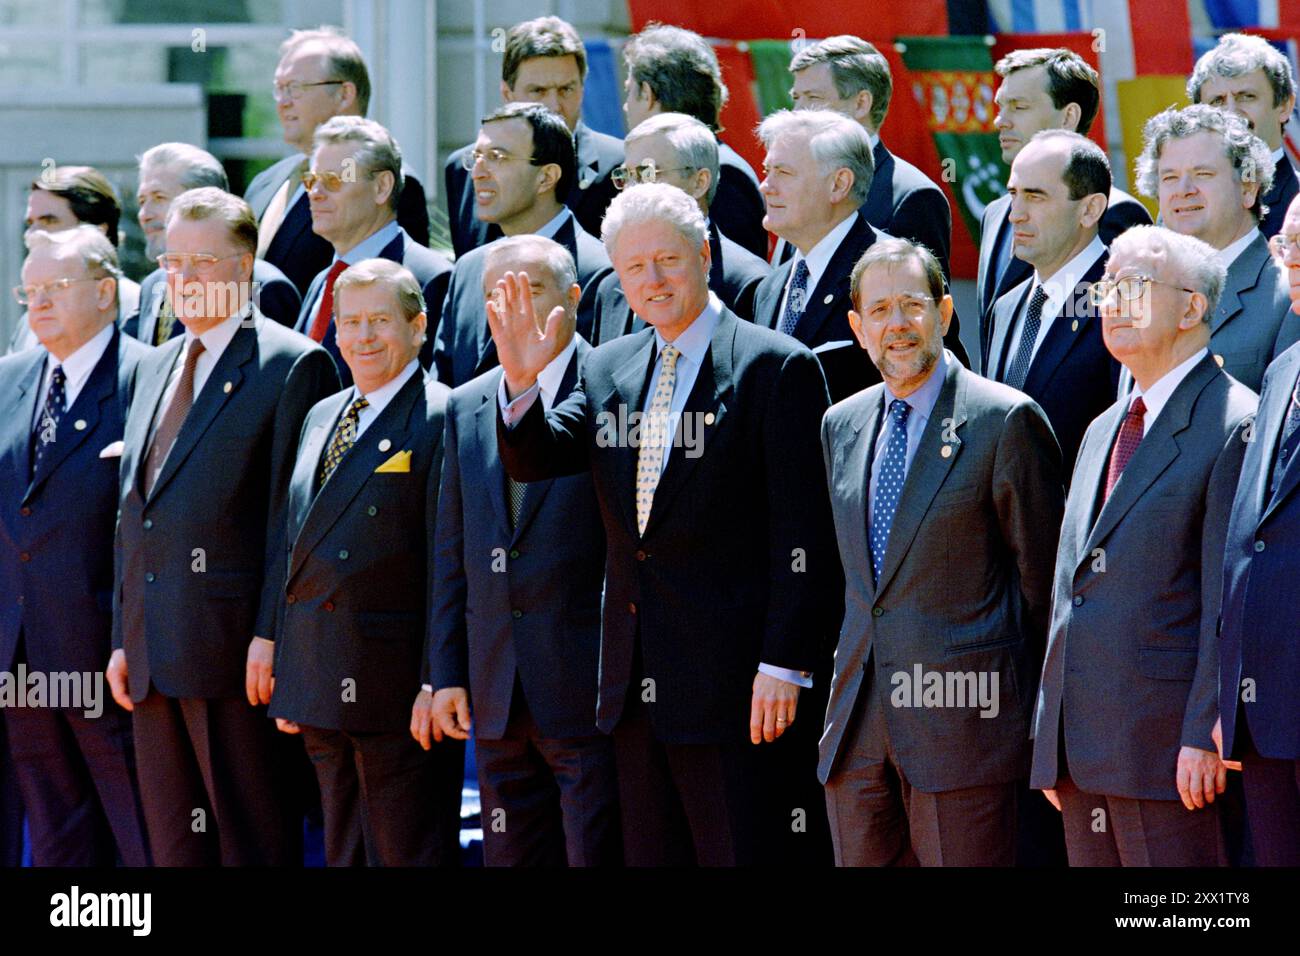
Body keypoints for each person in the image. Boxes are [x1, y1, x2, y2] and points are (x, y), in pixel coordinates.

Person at [488, 183, 840, 865]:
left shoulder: (775, 366)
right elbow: (538, 457)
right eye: (632, 267)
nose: (651, 280)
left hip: (741, 688)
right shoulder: (610, 365)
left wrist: (784, 663)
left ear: (705, 255)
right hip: (635, 685)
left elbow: (805, 536)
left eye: (667, 260)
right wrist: (522, 380)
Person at [107, 188, 340, 865]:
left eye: (200, 262)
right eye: (171, 262)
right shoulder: (151, 365)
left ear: (243, 269)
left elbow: (291, 523)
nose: (181, 278)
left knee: (249, 843)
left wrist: (272, 633)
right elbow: (136, 511)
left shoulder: (292, 364)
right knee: (176, 850)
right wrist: (126, 635)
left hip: (236, 656)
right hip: (153, 656)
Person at [819, 236, 1063, 866]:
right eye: (879, 311)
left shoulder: (1004, 420)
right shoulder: (839, 423)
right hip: (857, 732)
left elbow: (1045, 592)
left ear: (946, 313)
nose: (897, 325)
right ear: (857, 327)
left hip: (964, 731)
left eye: (912, 306)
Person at [1031, 225, 1254, 866]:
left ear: (1192, 307)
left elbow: (1229, 596)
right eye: (1108, 287)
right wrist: (1053, 739)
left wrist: (1204, 733)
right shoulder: (1104, 426)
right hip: (1083, 755)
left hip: (1170, 756)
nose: (1112, 301)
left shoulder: (1234, 423)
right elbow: (1069, 591)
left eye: (1134, 286)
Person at [422, 235, 621, 866]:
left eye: (528, 290)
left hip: (587, 690)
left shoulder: (616, 385)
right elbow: (453, 552)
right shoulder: (465, 403)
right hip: (496, 692)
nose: (512, 307)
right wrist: (446, 674)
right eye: (496, 295)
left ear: (572, 297)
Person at [268, 259, 461, 866]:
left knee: (405, 852)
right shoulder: (322, 414)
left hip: (398, 689)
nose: (363, 337)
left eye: (380, 320)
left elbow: (448, 563)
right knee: (342, 849)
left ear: (418, 326)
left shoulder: (444, 415)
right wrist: (285, 658)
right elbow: (292, 540)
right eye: (350, 322)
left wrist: (438, 677)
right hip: (319, 678)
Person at [0, 227, 151, 866]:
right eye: (28, 291)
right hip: (21, 656)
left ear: (105, 293)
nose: (38, 303)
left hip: (107, 655)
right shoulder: (9, 378)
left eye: (55, 288)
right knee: (57, 834)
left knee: (136, 829)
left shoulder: (149, 377)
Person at [752, 109, 965, 402]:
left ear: (839, 184)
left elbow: (944, 388)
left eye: (784, 173)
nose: (767, 186)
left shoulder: (896, 272)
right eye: (767, 171)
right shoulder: (768, 288)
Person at [1216, 192, 1300, 867]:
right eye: (1284, 246)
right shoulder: (1279, 371)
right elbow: (1252, 538)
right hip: (1265, 711)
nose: (1288, 261)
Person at [979, 48, 1151, 357]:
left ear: (1069, 116)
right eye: (1001, 106)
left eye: (1018, 106)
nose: (1000, 121)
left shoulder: (1115, 213)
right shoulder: (994, 214)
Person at [433, 103, 612, 385]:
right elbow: (445, 390)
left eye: (497, 157)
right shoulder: (467, 270)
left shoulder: (601, 272)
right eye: (477, 156)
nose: (478, 172)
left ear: (546, 177)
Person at [245, 26, 431, 296]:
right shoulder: (267, 182)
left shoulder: (387, 182)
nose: (282, 102)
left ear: (344, 94)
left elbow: (394, 298)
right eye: (279, 89)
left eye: (295, 88)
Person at [1135, 104, 1299, 392]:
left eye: (1203, 174)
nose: (1183, 189)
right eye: (1169, 177)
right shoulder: (1144, 298)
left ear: (1248, 188)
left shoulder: (1289, 296)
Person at [985, 130, 1119, 480]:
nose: (1015, 214)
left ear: (1090, 209)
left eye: (1035, 197)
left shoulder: (1124, 301)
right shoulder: (1006, 307)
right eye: (1013, 194)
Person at [444, 16, 622, 258]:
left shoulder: (620, 165)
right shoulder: (463, 168)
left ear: (582, 89)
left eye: (566, 89)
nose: (554, 105)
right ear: (507, 93)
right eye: (538, 91)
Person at [294, 116, 451, 387]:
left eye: (332, 180)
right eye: (311, 180)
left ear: (381, 187)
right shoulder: (322, 280)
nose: (315, 193)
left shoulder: (431, 278)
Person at [589, 113, 769, 342]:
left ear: (699, 182)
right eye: (626, 175)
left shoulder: (747, 282)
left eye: (647, 173)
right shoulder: (611, 288)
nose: (632, 188)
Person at [785, 35, 953, 279]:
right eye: (796, 98)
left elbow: (927, 309)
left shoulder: (912, 199)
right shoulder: (794, 185)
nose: (797, 113)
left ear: (861, 103)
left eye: (813, 98)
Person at [621, 23, 768, 259]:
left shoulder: (725, 175)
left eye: (629, 91)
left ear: (647, 94)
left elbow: (732, 280)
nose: (625, 105)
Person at [131, 144, 300, 342]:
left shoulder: (260, 288)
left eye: (159, 198)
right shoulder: (153, 284)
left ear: (204, 200)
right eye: (142, 201)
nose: (145, 214)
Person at [9, 166, 141, 354]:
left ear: (98, 231)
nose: (33, 233)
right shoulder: (30, 323)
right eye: (31, 223)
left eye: (49, 221)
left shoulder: (140, 310)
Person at [1190, 32, 1298, 240]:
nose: (1231, 113)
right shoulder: (1182, 208)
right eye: (1217, 101)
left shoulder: (1296, 202)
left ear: (1285, 105)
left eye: (1247, 96)